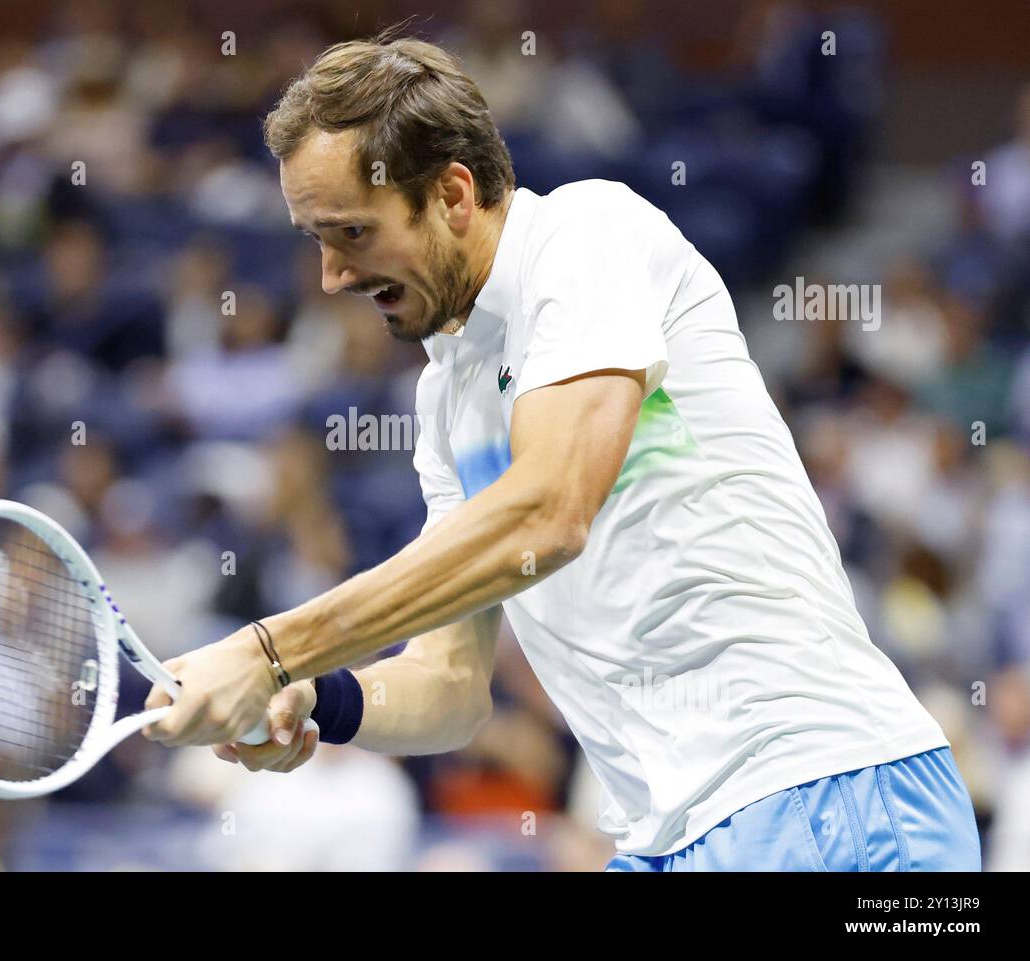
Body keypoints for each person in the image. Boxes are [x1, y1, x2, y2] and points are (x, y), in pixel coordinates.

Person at [141, 30, 981, 871]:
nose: (329, 276)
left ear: (455, 195)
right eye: (314, 240)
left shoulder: (586, 235)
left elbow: (550, 510)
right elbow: (451, 687)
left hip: (828, 796)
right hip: (665, 837)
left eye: (351, 233)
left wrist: (269, 649)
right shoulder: (448, 396)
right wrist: (317, 694)